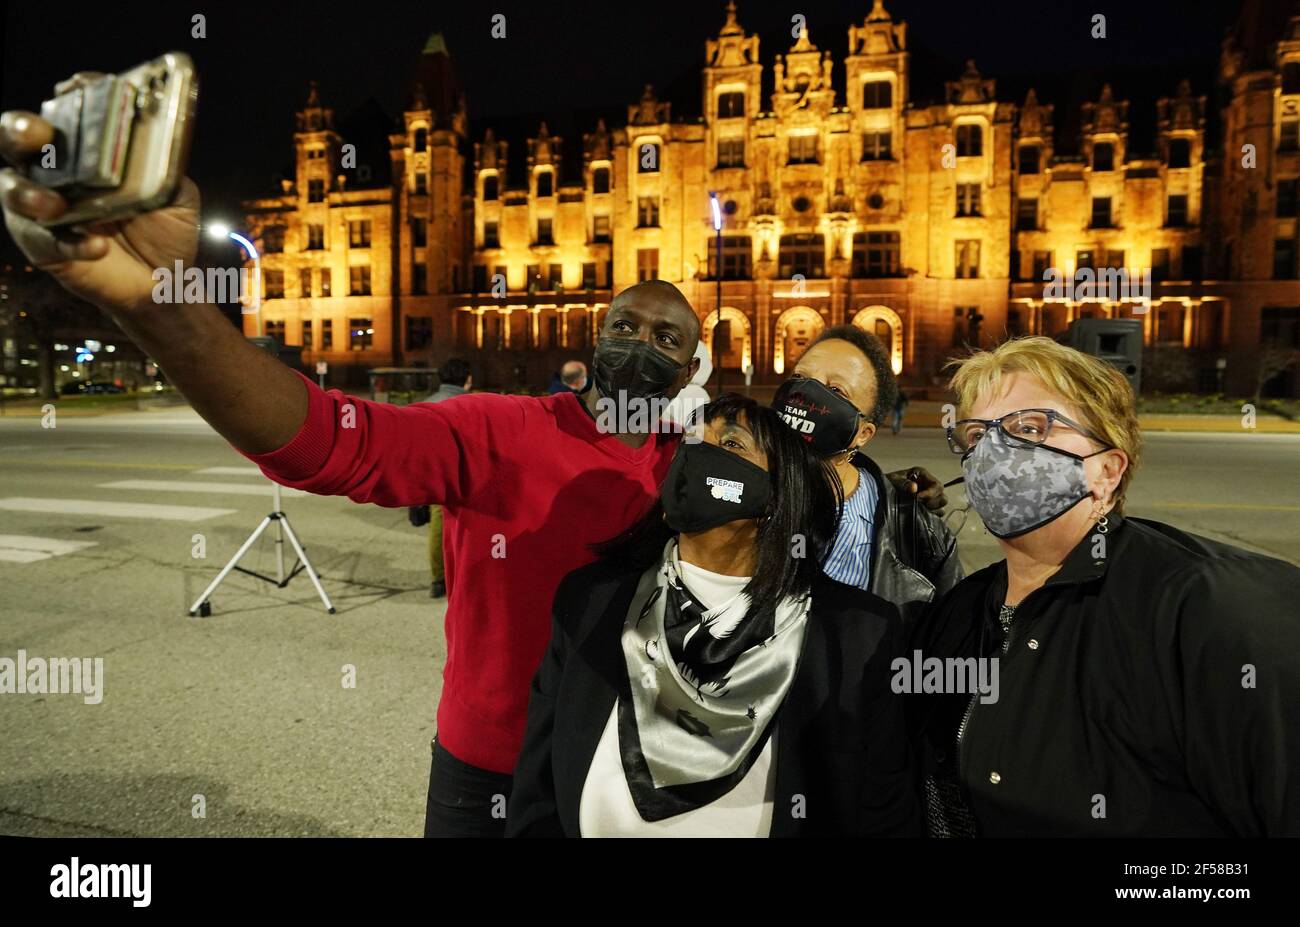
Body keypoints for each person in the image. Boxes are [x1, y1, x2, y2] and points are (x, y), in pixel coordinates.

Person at [0, 99, 947, 838]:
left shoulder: (702, 462)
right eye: (624, 324)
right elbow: (330, 439)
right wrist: (164, 305)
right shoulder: (492, 427)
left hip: (627, 768)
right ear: (592, 331)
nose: (641, 343)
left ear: (695, 360)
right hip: (488, 765)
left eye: (668, 334)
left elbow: (812, 507)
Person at [908, 336, 1300, 837]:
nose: (994, 453)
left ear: (1107, 472)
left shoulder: (1200, 608)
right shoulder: (959, 611)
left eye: (1029, 427)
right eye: (977, 435)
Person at [508, 396, 922, 836]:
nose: (697, 452)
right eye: (691, 439)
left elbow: (883, 812)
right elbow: (537, 794)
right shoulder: (591, 600)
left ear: (781, 495)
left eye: (731, 443)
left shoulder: (857, 634)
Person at [772, 326, 962, 628]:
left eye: (836, 391)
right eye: (799, 378)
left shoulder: (918, 533)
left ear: (864, 432)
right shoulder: (740, 490)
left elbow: (948, 646)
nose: (804, 394)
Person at [412, 358, 472, 598]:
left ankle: (439, 579)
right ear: (467, 379)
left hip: (435, 476)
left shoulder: (426, 405)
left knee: (438, 526)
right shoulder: (471, 405)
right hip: (467, 477)